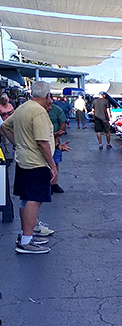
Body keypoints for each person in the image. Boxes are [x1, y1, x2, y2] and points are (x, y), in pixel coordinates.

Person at [1, 81, 59, 254]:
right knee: (34, 200)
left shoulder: (23, 108)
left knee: (26, 199)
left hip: (24, 160)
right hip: (36, 162)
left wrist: (18, 144)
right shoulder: (39, 112)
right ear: (47, 95)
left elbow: (5, 126)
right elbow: (42, 141)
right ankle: (26, 241)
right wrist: (53, 166)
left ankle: (25, 235)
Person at [48, 98, 67, 193]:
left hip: (55, 139)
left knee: (55, 161)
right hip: (43, 138)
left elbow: (62, 123)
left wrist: (58, 135)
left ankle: (54, 183)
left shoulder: (57, 109)